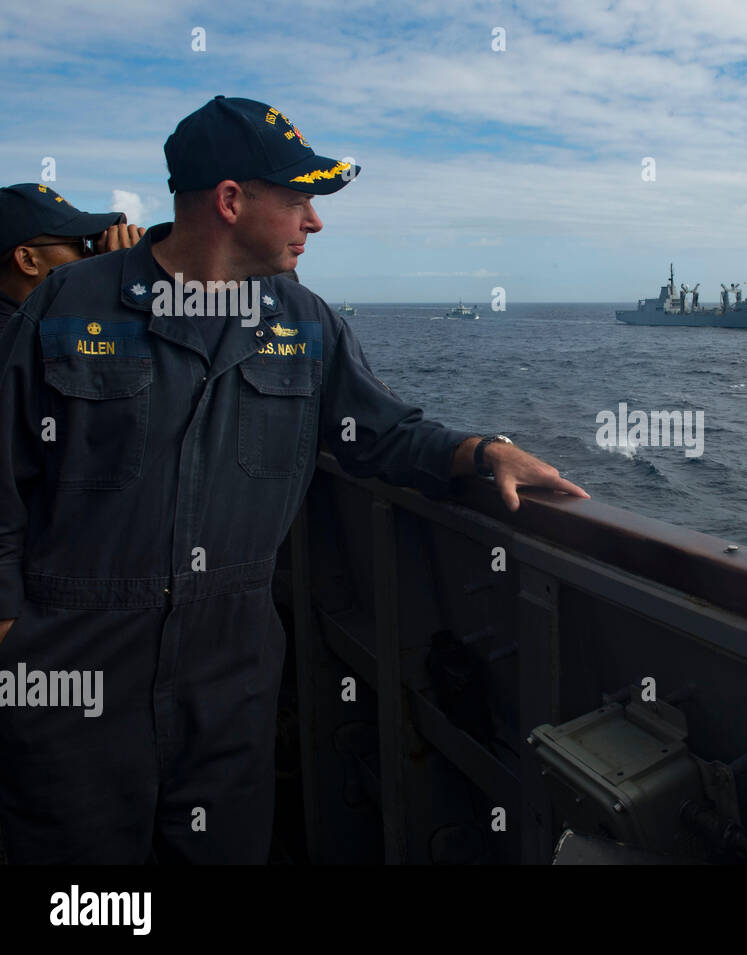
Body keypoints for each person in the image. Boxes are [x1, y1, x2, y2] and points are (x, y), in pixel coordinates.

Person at [0, 95, 587, 864]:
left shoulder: (307, 325)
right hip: (74, 672)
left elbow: (382, 433)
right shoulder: (69, 305)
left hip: (229, 677)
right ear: (231, 200)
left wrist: (478, 453)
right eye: (300, 198)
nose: (314, 221)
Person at [0, 183, 145, 330]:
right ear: (28, 260)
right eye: (79, 244)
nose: (90, 255)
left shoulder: (37, 326)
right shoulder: (17, 339)